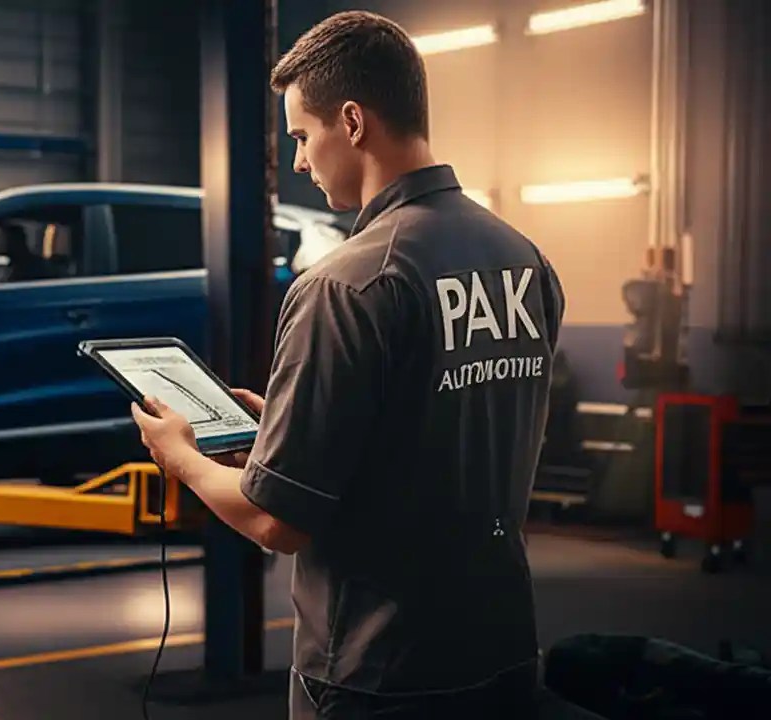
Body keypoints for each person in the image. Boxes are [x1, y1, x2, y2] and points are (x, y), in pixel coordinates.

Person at [131, 10, 566, 720]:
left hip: (379, 674)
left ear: (354, 122)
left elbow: (278, 522)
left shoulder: (347, 283)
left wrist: (179, 455)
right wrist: (286, 425)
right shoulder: (523, 260)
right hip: (501, 654)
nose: (298, 159)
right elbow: (440, 427)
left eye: (302, 134)